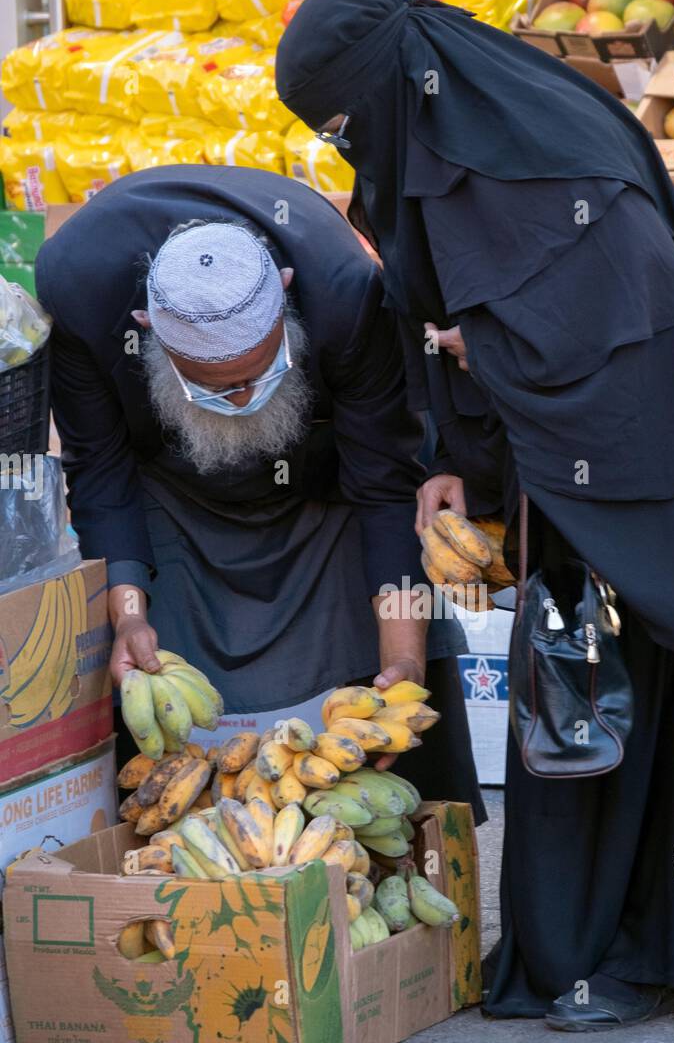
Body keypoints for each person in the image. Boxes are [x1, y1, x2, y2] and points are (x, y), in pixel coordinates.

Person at [276, 0, 674, 1029]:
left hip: (672, 455)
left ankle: (652, 950)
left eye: (337, 119)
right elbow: (470, 298)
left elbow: (614, 300)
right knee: (579, 697)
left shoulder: (527, 136)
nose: (342, 143)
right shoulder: (440, 137)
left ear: (377, 84)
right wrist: (456, 453)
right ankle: (573, 948)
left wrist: (485, 348)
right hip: (589, 465)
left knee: (646, 692)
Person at [35, 164, 482, 813]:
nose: (241, 400)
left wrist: (404, 668)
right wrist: (129, 613)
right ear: (147, 327)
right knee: (150, 683)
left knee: (397, 626)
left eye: (256, 374)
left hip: (323, 487)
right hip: (174, 495)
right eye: (215, 388)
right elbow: (99, 470)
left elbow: (386, 482)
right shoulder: (78, 283)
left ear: (286, 292)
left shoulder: (344, 288)